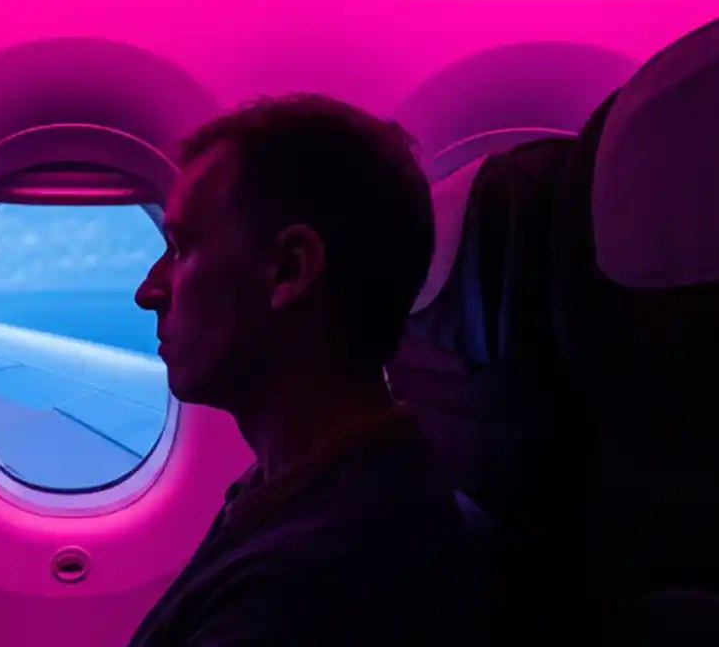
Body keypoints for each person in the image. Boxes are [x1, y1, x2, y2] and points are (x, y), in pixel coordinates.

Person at [130, 94, 490, 645]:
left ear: (290, 270)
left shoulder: (322, 578)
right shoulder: (298, 488)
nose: (148, 291)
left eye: (181, 248)